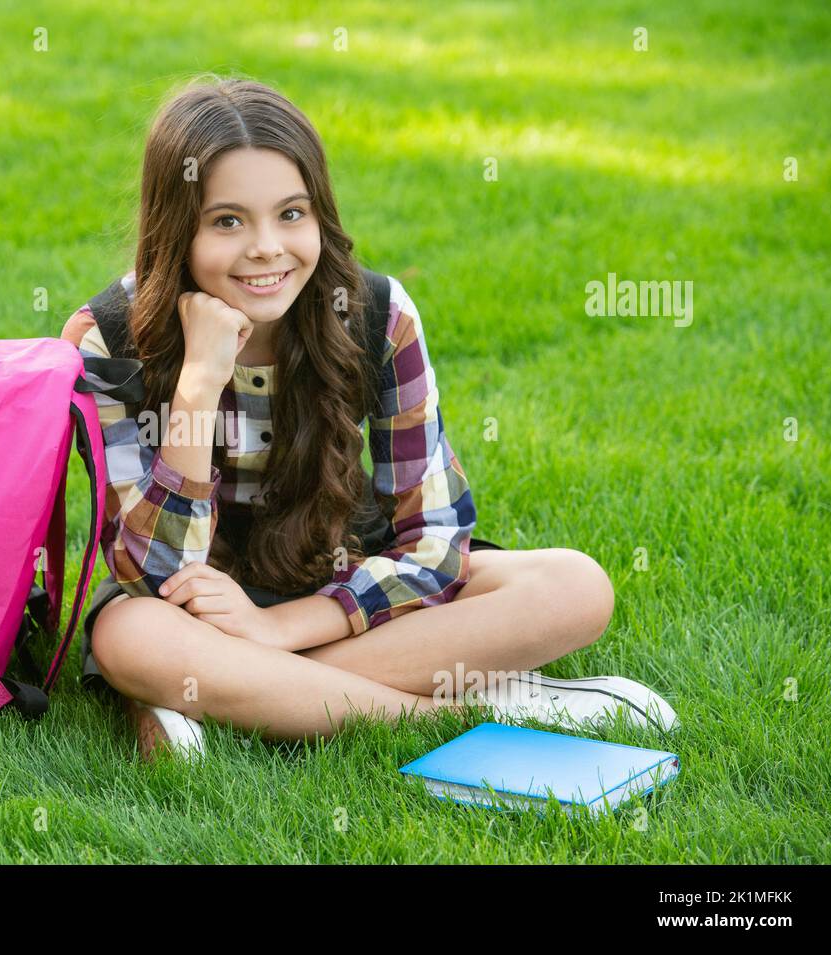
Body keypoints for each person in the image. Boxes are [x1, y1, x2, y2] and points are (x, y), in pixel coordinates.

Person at [60, 76, 678, 761]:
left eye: (291, 214)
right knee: (130, 636)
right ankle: (469, 704)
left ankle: (220, 694)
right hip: (187, 605)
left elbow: (434, 537)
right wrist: (199, 383)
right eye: (228, 221)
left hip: (336, 574)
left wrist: (280, 631)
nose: (267, 247)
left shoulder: (378, 315)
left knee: (572, 586)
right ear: (177, 228)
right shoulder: (105, 338)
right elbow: (151, 571)